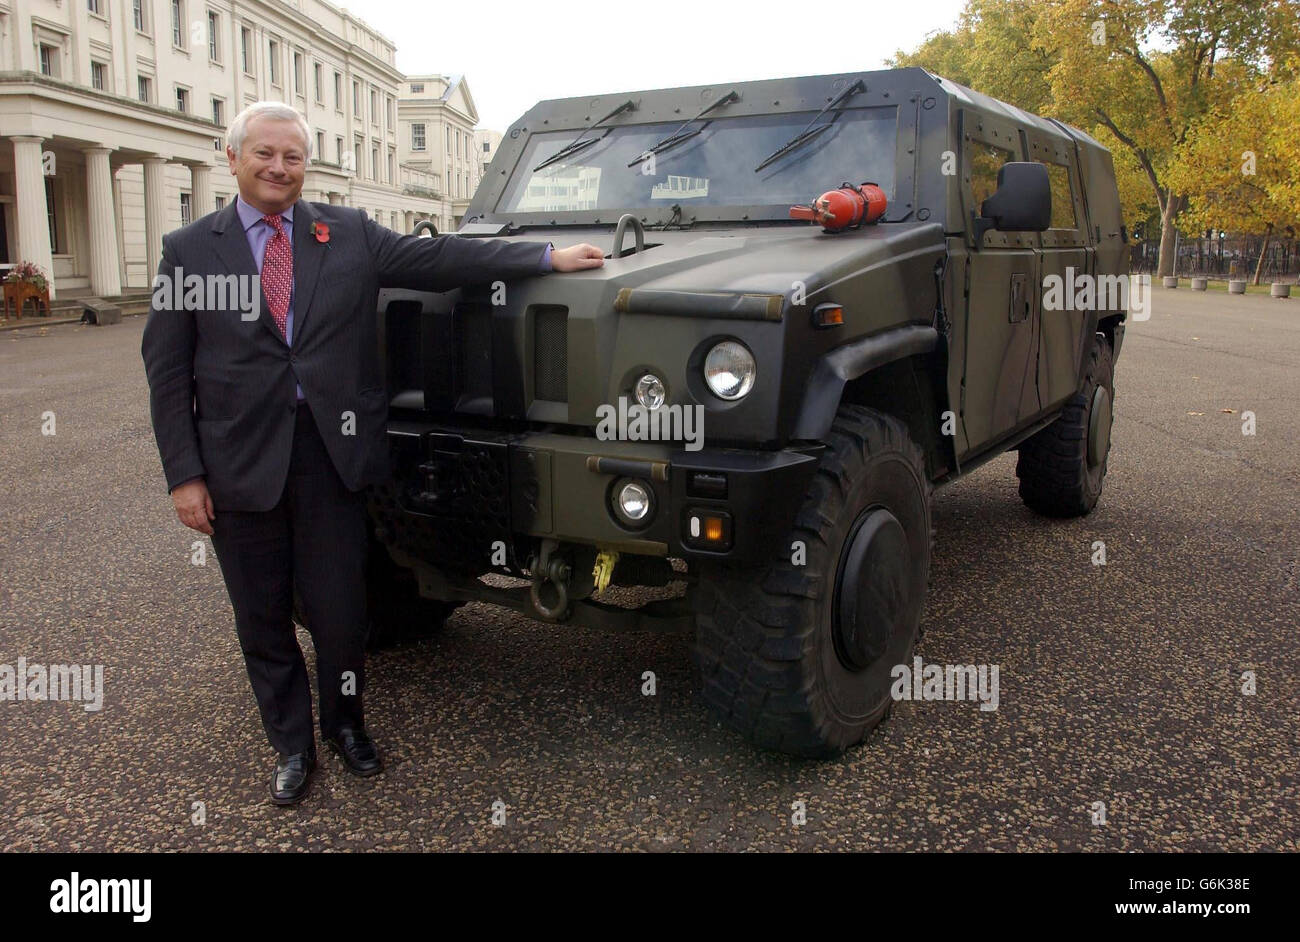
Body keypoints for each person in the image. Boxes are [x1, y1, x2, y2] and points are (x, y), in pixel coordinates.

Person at [141, 101, 603, 805]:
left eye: (292, 156)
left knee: (338, 610)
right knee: (263, 617)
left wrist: (546, 255)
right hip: (239, 466)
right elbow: (169, 373)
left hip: (331, 456)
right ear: (230, 158)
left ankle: (346, 726)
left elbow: (441, 257)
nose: (278, 167)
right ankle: (292, 745)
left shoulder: (345, 231)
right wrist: (184, 476)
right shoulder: (189, 251)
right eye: (264, 154)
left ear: (306, 165)